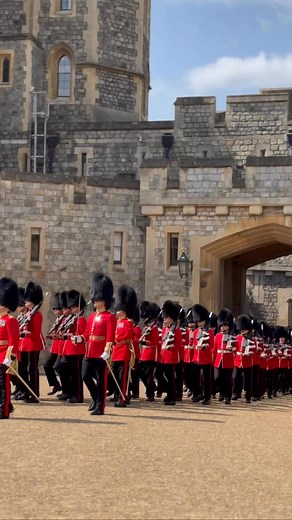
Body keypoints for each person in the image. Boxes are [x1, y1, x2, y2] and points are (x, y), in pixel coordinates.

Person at [75, 272, 116, 416]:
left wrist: (107, 350)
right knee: (85, 375)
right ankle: (95, 398)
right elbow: (87, 334)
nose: (94, 301)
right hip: (90, 351)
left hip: (101, 352)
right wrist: (79, 338)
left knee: (100, 380)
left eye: (97, 299)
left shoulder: (110, 317)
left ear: (104, 300)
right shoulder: (92, 316)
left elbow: (110, 336)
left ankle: (100, 405)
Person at [58, 290, 87, 403]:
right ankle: (68, 392)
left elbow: (81, 335)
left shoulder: (81, 319)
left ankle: (79, 396)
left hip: (77, 350)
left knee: (76, 375)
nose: (72, 309)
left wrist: (70, 335)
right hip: (69, 349)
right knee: (63, 368)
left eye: (74, 307)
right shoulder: (73, 319)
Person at [111, 285, 137, 408]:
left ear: (125, 310)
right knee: (115, 376)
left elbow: (127, 335)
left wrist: (115, 338)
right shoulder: (117, 322)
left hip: (124, 351)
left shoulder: (128, 323)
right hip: (116, 351)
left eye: (119, 309)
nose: (117, 311)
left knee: (122, 377)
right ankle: (117, 395)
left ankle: (122, 398)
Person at [18, 281, 44, 403]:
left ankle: (34, 393)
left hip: (33, 344)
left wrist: (23, 333)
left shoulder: (36, 315)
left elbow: (35, 332)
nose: (25, 302)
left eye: (27, 300)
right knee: (22, 369)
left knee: (32, 369)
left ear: (33, 301)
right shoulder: (27, 314)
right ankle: (25, 391)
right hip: (24, 344)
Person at [0, 277, 20, 419]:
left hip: (4, 356)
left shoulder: (11, 320)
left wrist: (10, 358)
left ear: (7, 305)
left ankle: (4, 410)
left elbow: (14, 341)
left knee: (4, 385)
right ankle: (8, 405)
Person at [213, 309, 237, 404]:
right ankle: (222, 393)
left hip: (228, 360)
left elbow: (237, 348)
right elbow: (214, 349)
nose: (223, 327)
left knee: (228, 379)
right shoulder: (217, 336)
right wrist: (213, 359)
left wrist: (231, 349)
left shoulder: (233, 337)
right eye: (222, 325)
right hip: (219, 360)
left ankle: (228, 396)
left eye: (225, 325)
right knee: (218, 378)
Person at [191, 304, 214, 405]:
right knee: (193, 377)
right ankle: (197, 393)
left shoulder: (209, 332)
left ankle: (207, 397)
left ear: (204, 320)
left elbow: (211, 344)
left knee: (206, 378)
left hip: (206, 357)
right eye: (197, 321)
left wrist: (204, 346)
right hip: (197, 357)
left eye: (200, 321)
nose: (198, 323)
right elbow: (194, 344)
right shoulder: (196, 331)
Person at [160, 300, 182, 405]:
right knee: (160, 374)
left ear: (171, 318)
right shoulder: (165, 329)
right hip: (164, 356)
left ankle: (172, 397)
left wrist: (171, 346)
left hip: (171, 356)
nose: (164, 319)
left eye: (166, 317)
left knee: (170, 377)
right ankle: (169, 393)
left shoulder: (176, 330)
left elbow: (178, 344)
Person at [139, 301, 161, 402]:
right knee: (141, 373)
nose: (144, 319)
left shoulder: (154, 328)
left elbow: (156, 342)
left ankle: (150, 394)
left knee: (149, 375)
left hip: (151, 354)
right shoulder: (146, 327)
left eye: (145, 317)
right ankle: (152, 387)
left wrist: (144, 342)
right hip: (144, 354)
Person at [43, 292, 62, 395]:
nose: (56, 311)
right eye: (54, 309)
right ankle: (56, 384)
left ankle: (66, 386)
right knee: (47, 366)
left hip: (61, 348)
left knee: (59, 368)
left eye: (58, 309)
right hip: (55, 347)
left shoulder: (66, 320)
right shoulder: (58, 319)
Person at [233, 314, 254, 403]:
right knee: (236, 378)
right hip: (238, 361)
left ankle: (248, 396)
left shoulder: (252, 339)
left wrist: (248, 353)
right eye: (241, 329)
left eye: (244, 329)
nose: (242, 331)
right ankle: (236, 393)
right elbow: (234, 348)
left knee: (248, 379)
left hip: (247, 361)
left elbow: (254, 351)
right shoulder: (237, 338)